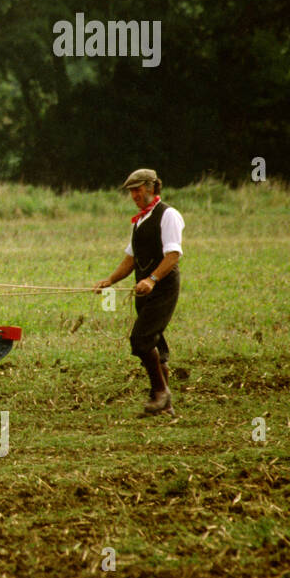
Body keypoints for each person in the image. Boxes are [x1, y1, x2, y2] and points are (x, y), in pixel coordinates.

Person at [93, 168, 185, 415]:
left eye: (137, 189)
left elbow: (173, 254)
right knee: (154, 343)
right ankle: (165, 407)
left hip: (162, 287)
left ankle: (161, 393)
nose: (134, 195)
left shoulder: (168, 215)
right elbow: (130, 258)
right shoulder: (141, 221)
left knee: (141, 340)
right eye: (131, 191)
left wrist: (153, 279)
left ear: (152, 187)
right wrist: (109, 280)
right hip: (144, 289)